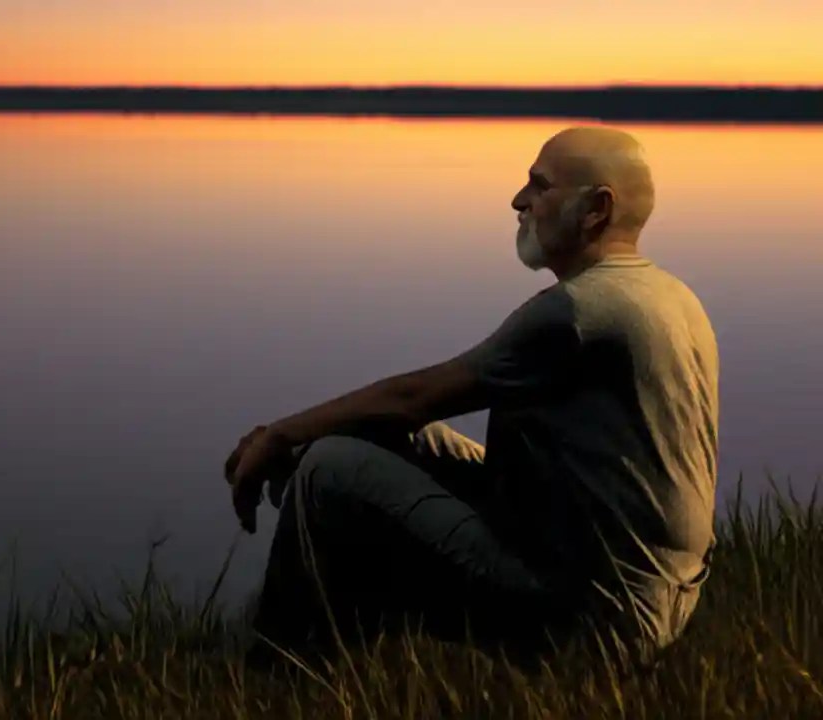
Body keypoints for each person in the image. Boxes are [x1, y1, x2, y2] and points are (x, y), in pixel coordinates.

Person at [223, 126, 719, 666]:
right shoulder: (671, 296)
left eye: (540, 186)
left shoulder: (578, 312)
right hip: (652, 600)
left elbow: (414, 396)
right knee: (404, 439)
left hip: (590, 624)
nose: (518, 200)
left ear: (597, 209)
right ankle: (331, 639)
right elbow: (409, 414)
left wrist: (281, 434)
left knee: (330, 468)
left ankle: (276, 670)